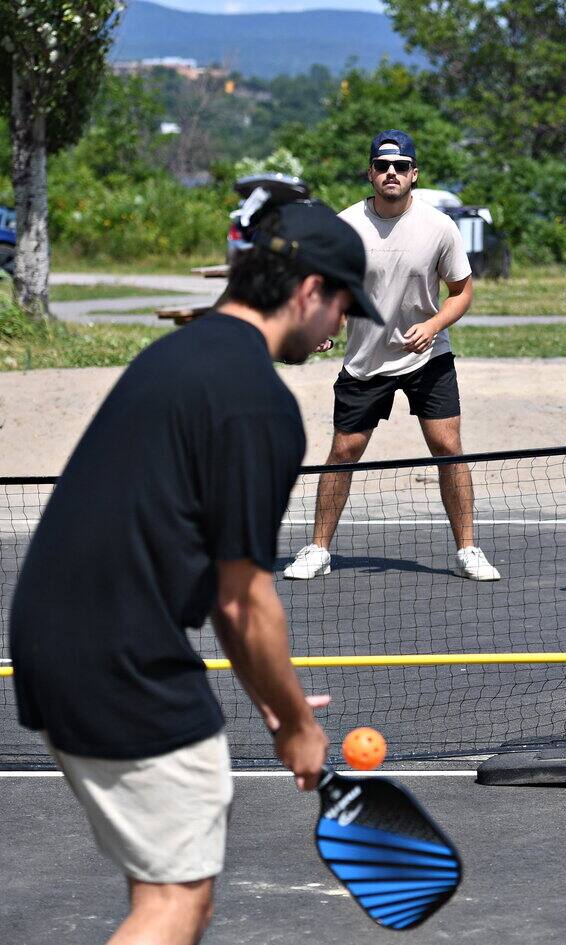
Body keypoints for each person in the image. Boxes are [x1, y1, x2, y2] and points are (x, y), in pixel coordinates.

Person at [7, 199, 383, 945]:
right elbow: (245, 600)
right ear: (308, 289)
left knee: (169, 887)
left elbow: (211, 577)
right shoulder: (256, 403)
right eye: (343, 301)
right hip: (122, 662)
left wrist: (275, 704)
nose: (343, 324)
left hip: (59, 646)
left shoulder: (179, 356)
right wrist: (301, 726)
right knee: (175, 902)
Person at [284, 130, 501, 583]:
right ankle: (318, 548)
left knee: (447, 447)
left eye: (401, 166)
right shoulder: (345, 226)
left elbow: (462, 292)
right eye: (383, 166)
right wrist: (324, 327)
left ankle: (468, 548)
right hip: (366, 358)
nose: (391, 173)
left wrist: (434, 325)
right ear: (371, 172)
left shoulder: (440, 226)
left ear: (413, 174)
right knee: (344, 451)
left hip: (428, 355)